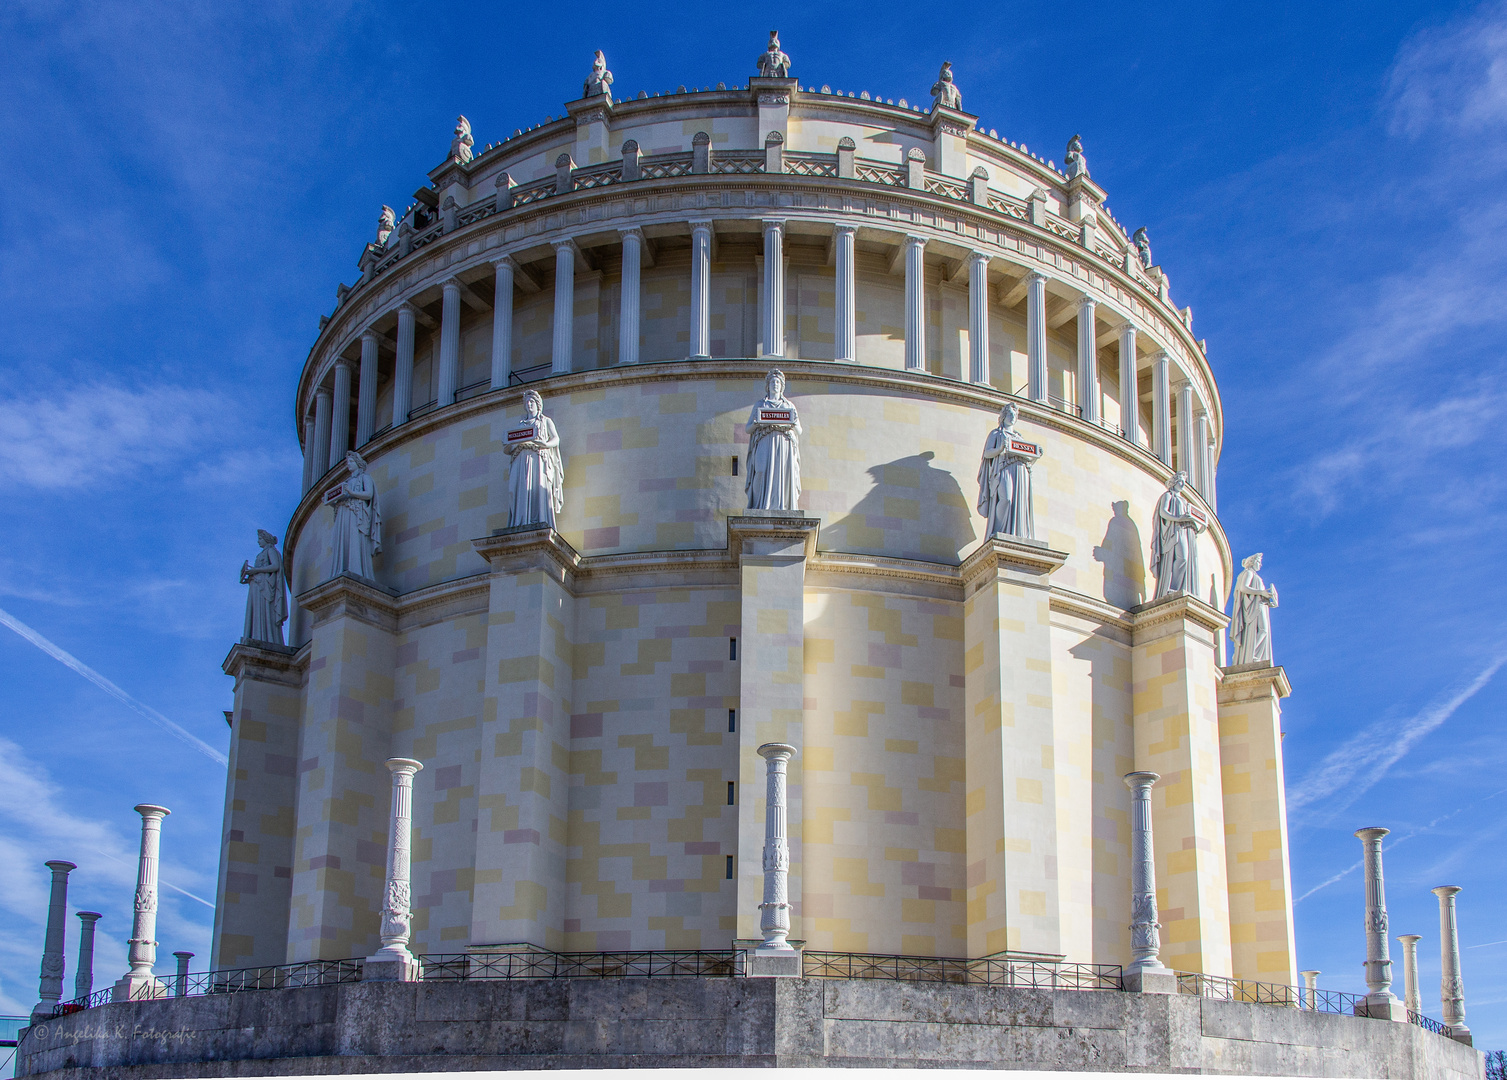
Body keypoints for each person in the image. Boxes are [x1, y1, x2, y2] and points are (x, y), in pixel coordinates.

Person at [976, 403, 1039, 540]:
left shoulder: (1019, 437)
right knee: (1006, 499)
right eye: (1010, 413)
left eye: (1015, 415)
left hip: (1021, 471)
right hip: (1004, 468)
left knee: (1019, 504)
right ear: (1003, 416)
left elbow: (1029, 457)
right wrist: (1000, 449)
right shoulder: (996, 433)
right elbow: (987, 453)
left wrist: (1037, 454)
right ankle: (998, 531)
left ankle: (1017, 533)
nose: (1013, 417)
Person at [504, 390, 564, 527]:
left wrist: (545, 444)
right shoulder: (521, 425)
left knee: (538, 487)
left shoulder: (546, 421)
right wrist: (509, 446)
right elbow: (509, 447)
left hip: (538, 458)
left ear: (538, 404)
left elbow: (556, 439)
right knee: (517, 489)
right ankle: (520, 521)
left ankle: (539, 519)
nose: (529, 404)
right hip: (520, 460)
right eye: (527, 402)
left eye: (532, 402)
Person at [744, 369, 801, 511]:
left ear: (782, 386)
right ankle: (760, 505)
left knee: (782, 476)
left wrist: (793, 425)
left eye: (778, 382)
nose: (775, 385)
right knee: (761, 471)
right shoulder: (760, 405)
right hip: (764, 442)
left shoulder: (789, 406)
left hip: (784, 445)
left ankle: (783, 506)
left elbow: (799, 430)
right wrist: (757, 424)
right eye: (772, 382)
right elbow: (748, 428)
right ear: (767, 385)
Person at [1149, 471, 1204, 599]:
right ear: (1174, 482)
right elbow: (1163, 512)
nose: (1183, 484)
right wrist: (1179, 518)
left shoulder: (1184, 501)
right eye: (1180, 481)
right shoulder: (1168, 496)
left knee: (1186, 559)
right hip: (1174, 531)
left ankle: (1181, 587)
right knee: (1182, 557)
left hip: (1186, 531)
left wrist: (1201, 527)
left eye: (1184, 482)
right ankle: (1172, 587)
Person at [329, 451, 382, 579]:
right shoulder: (347, 481)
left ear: (358, 463)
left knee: (354, 539)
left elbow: (369, 494)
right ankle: (342, 569)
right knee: (344, 539)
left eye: (351, 462)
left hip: (356, 514)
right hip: (344, 513)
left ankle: (357, 570)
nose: (349, 465)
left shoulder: (365, 477)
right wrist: (331, 502)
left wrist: (351, 492)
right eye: (348, 463)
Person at [1230, 553, 1278, 665]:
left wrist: (1269, 600)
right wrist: (1261, 592)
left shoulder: (1255, 575)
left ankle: (1255, 655)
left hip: (1260, 605)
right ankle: (1253, 655)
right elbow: (1243, 588)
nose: (1260, 564)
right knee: (1263, 630)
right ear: (1252, 562)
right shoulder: (1248, 573)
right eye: (1258, 561)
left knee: (1263, 630)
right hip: (1254, 608)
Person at [241, 530, 286, 645]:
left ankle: (267, 638)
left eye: (260, 539)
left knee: (264, 611)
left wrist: (256, 570)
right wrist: (249, 577)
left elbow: (275, 566)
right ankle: (257, 636)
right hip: (256, 585)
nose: (258, 541)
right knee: (256, 613)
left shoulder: (271, 550)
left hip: (265, 587)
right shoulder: (261, 553)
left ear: (266, 539)